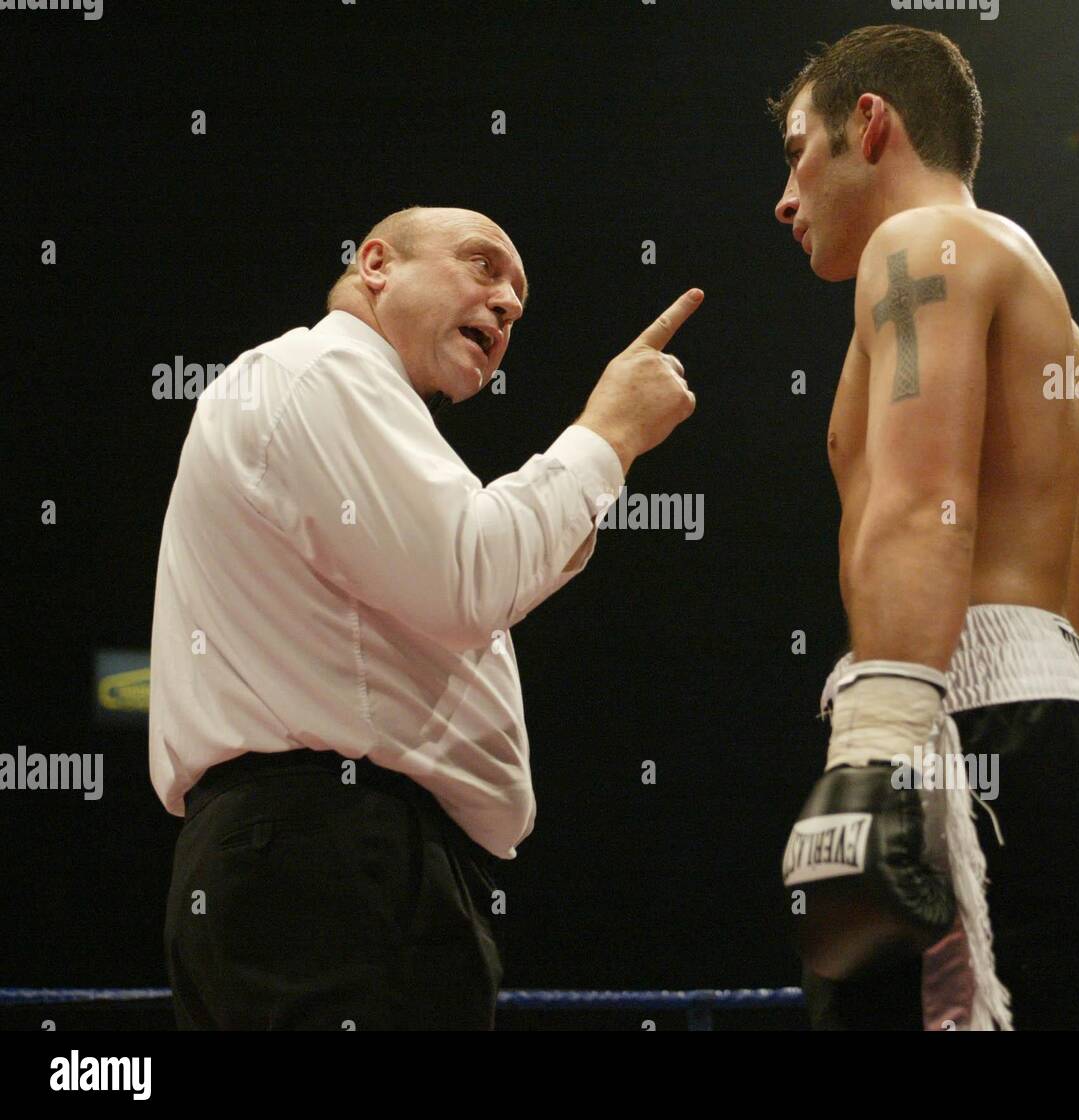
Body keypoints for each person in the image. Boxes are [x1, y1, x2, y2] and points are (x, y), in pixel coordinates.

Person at [150, 206, 702, 1029]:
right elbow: (471, 578)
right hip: (333, 863)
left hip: (315, 863)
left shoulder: (334, 397)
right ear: (376, 263)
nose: (508, 302)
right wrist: (607, 435)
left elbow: (474, 574)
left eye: (518, 296)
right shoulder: (322, 370)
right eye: (483, 267)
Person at [771, 26, 1079, 1029]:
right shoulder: (1067, 340)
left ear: (868, 123)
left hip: (966, 736)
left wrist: (875, 746)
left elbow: (923, 504)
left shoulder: (922, 248)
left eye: (796, 151)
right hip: (1078, 752)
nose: (784, 196)